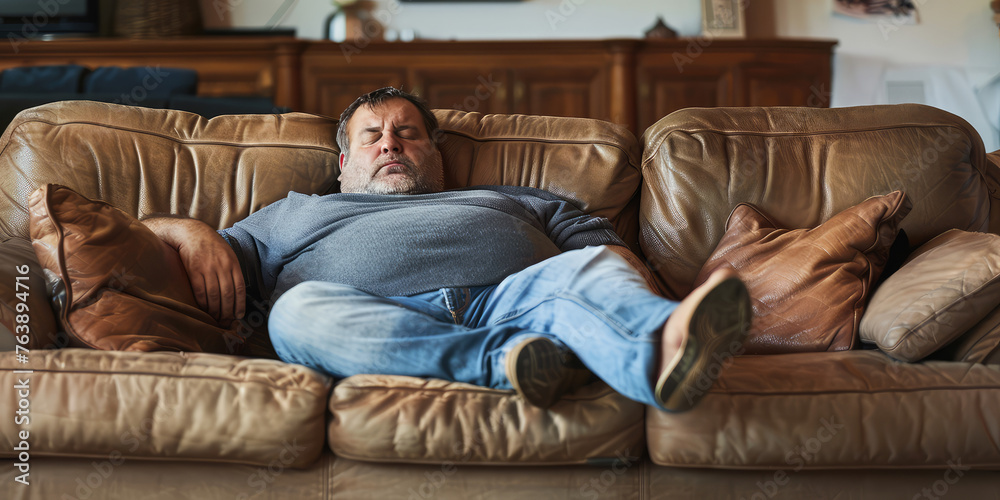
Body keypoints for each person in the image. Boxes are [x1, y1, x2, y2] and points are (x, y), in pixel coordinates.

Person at [143, 87, 751, 411]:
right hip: (375, 313)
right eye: (372, 136)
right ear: (343, 161)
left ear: (435, 152)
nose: (390, 145)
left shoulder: (516, 198)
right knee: (294, 315)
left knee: (586, 269)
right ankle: (507, 361)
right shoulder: (296, 212)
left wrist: (614, 276)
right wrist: (187, 228)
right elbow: (166, 246)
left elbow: (604, 252)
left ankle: (663, 352)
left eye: (407, 133)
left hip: (518, 300)